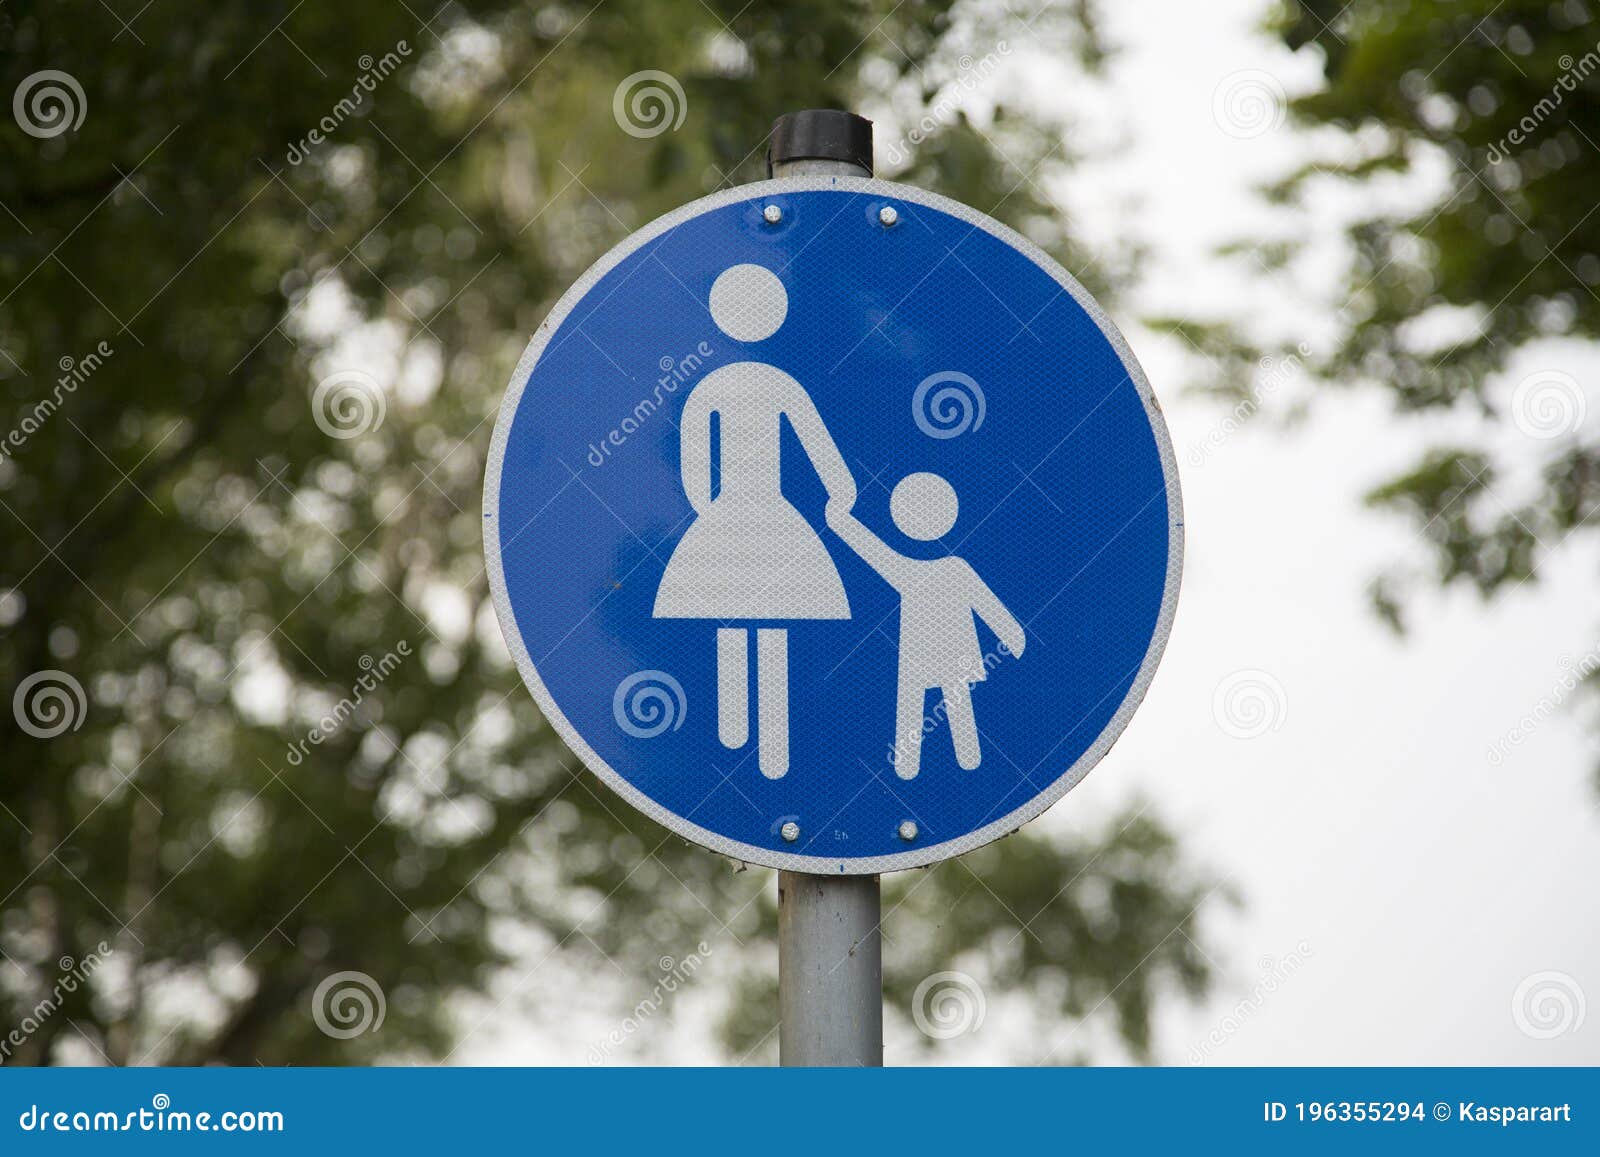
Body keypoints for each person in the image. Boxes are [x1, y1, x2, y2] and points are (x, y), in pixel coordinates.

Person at [653, 263, 856, 779]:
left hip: (732, 512)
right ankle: (760, 746)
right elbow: (818, 447)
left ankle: (745, 736)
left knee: (736, 615)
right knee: (769, 621)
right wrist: (841, 491)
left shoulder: (713, 385)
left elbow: (694, 465)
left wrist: (709, 513)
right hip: (767, 513)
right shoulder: (775, 383)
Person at [826, 472, 1024, 780]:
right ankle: (916, 771)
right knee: (931, 709)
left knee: (949, 711)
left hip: (939, 655)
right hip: (926, 656)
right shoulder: (934, 570)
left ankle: (950, 769)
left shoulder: (939, 570)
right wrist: (841, 522)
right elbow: (873, 551)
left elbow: (987, 604)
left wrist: (1012, 634)